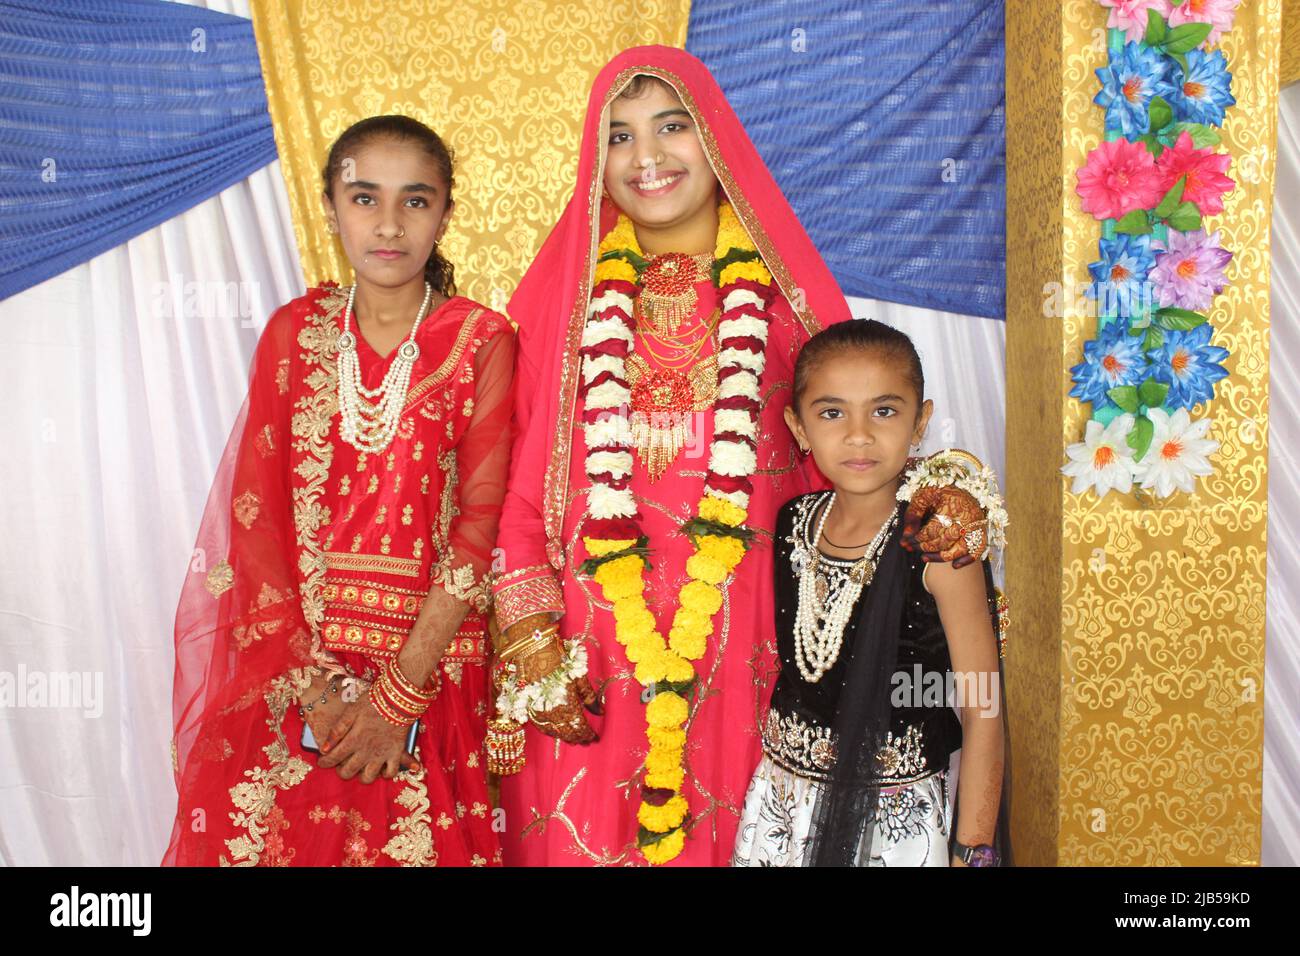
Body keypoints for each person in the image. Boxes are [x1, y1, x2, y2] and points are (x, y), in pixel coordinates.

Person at [487, 45, 993, 866]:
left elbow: (866, 441)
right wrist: (530, 638)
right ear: (594, 157)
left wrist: (953, 494)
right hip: (588, 650)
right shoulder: (562, 303)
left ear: (715, 138)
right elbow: (513, 485)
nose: (647, 157)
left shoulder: (785, 301)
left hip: (754, 638)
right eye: (619, 136)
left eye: (671, 127)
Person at [162, 115, 513, 866]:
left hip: (430, 678)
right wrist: (316, 689)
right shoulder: (295, 333)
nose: (388, 224)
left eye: (415, 201)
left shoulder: (482, 340)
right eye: (363, 198)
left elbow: (480, 525)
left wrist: (396, 696)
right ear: (329, 208)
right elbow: (253, 521)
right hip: (300, 674)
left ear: (446, 213)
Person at [732, 319, 1012, 867]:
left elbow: (982, 704)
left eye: (884, 411)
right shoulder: (793, 522)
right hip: (784, 806)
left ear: (920, 420)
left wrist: (971, 849)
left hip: (894, 821)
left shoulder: (937, 540)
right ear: (798, 426)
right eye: (832, 413)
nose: (858, 435)